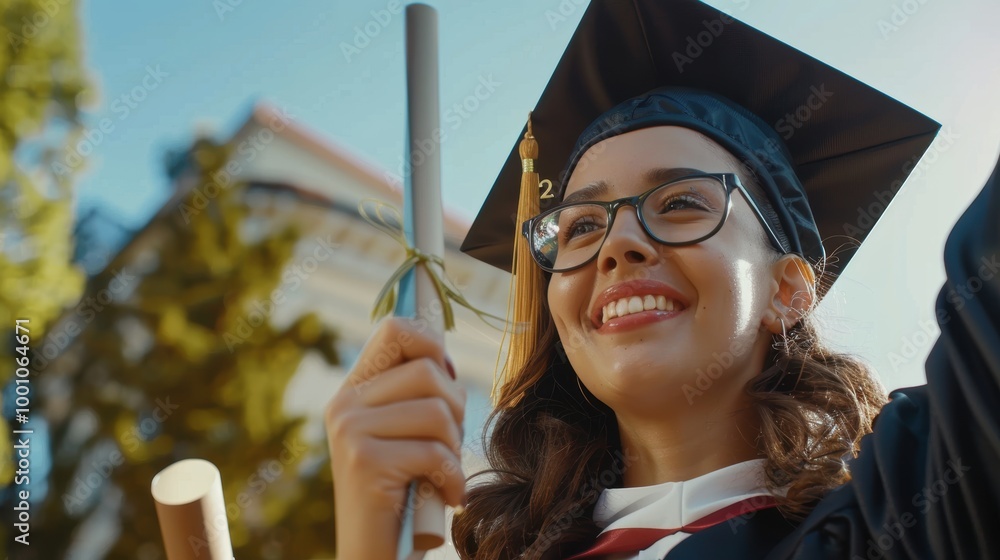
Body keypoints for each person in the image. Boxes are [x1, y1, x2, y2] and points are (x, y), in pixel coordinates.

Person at [325, 1, 999, 558]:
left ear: (788, 290)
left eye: (680, 203)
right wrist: (367, 543)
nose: (617, 244)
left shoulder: (905, 520)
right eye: (580, 227)